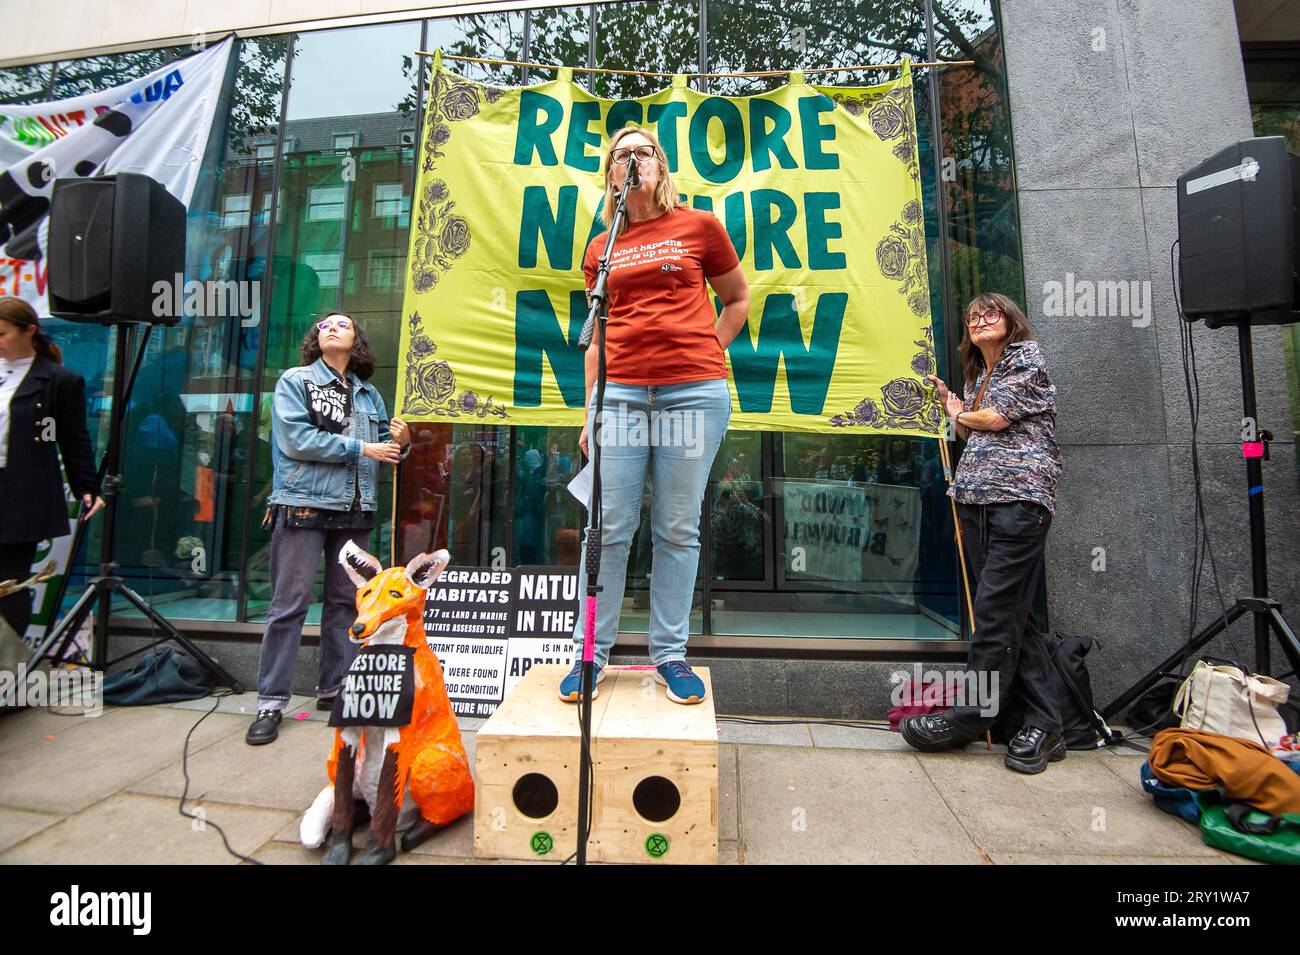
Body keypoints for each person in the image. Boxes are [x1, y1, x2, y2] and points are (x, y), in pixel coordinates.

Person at [561, 124, 750, 705]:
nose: (633, 160)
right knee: (608, 527)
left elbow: (737, 298)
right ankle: (591, 652)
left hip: (691, 394)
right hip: (617, 396)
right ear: (611, 174)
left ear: (660, 166)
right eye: (621, 154)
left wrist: (707, 352)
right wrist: (590, 406)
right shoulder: (601, 247)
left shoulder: (699, 225)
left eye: (643, 151)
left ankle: (670, 654)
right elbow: (596, 336)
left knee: (676, 527)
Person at [900, 292, 1065, 774]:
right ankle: (1044, 722)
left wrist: (959, 414)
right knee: (1011, 614)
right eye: (973, 316)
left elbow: (993, 420)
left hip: (1018, 501)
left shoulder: (1025, 359)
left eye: (991, 313)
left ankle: (970, 716)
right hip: (976, 501)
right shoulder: (979, 375)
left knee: (994, 612)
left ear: (1012, 322)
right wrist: (956, 405)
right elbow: (974, 431)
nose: (980, 320)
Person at [246, 312, 410, 745]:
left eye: (342, 325)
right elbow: (295, 440)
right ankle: (270, 700)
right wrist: (363, 446)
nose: (330, 328)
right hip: (302, 504)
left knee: (345, 603)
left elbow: (385, 450)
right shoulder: (295, 381)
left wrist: (403, 443)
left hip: (355, 507)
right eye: (323, 325)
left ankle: (335, 689)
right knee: (289, 603)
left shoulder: (368, 393)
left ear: (357, 341)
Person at [0, 298, 103, 637]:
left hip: (19, 494)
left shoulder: (58, 381)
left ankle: (7, 668)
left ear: (29, 331)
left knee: (8, 582)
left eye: (2, 334)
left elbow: (72, 438)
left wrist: (87, 487)